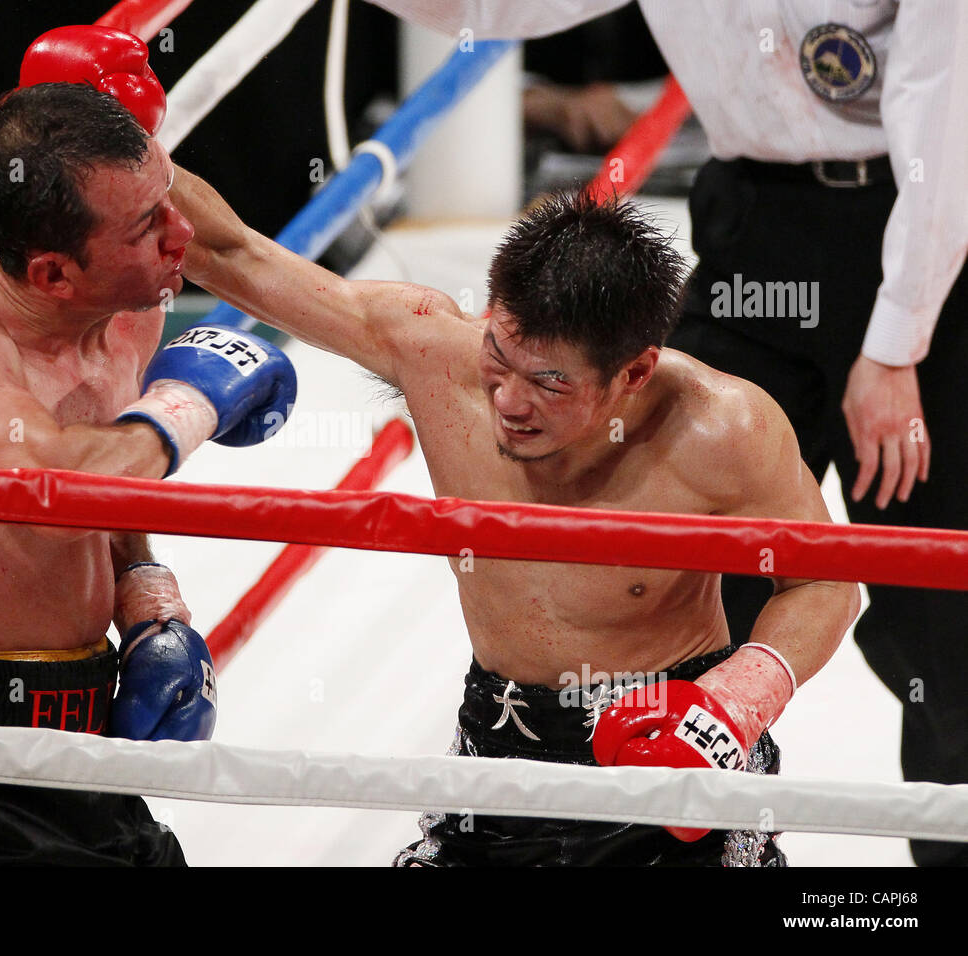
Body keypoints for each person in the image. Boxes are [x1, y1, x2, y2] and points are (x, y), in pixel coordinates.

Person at [369, 0, 968, 868]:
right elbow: (500, 5)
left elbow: (945, 120)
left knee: (941, 618)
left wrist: (895, 344)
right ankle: (669, 834)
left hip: (915, 238)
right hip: (750, 228)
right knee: (677, 564)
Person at [171, 166, 859, 865]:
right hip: (501, 740)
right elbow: (232, 253)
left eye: (550, 383)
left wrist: (734, 702)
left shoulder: (723, 428)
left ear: (634, 373)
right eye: (499, 357)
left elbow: (825, 581)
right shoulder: (432, 352)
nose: (508, 401)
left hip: (670, 740)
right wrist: (131, 150)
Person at [0, 77, 295, 865]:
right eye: (148, 225)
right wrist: (189, 406)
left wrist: (144, 594)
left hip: (84, 698)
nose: (183, 233)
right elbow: (56, 487)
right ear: (53, 275)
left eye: (167, 199)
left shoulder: (132, 311)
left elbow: (112, 481)